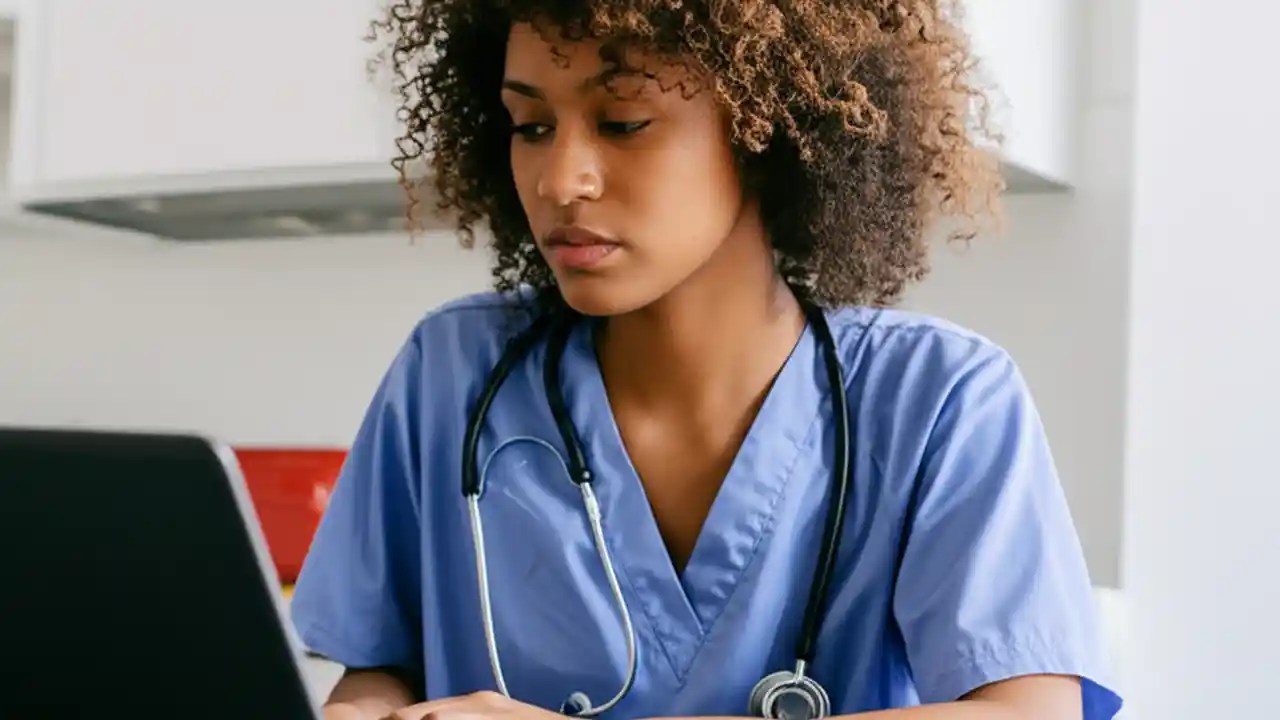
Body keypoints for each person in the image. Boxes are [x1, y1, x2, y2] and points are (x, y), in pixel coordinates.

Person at [289, 1, 1123, 719]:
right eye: (531, 126)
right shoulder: (453, 371)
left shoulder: (938, 399)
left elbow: (1025, 710)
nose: (559, 179)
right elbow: (379, 667)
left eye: (622, 123)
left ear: (773, 131)